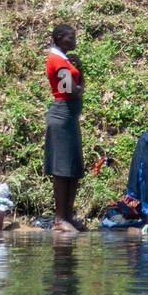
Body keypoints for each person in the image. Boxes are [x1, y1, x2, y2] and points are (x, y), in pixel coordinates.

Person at [44, 24, 85, 232]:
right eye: (71, 38)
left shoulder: (63, 59)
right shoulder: (57, 61)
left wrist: (79, 73)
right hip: (62, 117)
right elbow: (71, 91)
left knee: (73, 169)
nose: (75, 41)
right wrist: (82, 79)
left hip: (69, 118)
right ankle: (60, 219)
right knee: (62, 170)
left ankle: (68, 216)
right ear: (59, 38)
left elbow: (75, 89)